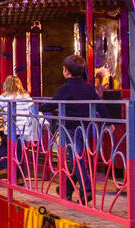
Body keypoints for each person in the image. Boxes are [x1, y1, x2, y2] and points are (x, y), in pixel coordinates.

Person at [42, 55, 106, 204]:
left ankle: (86, 189)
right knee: (75, 159)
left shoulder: (65, 88)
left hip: (70, 129)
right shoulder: (87, 87)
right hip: (85, 127)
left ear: (66, 71)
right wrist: (108, 121)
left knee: (77, 159)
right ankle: (67, 189)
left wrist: (39, 106)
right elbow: (100, 104)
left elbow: (52, 104)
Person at [0, 74, 39, 144]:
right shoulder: (26, 96)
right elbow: (33, 109)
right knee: (20, 152)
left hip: (11, 131)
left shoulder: (4, 97)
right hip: (24, 130)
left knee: (4, 152)